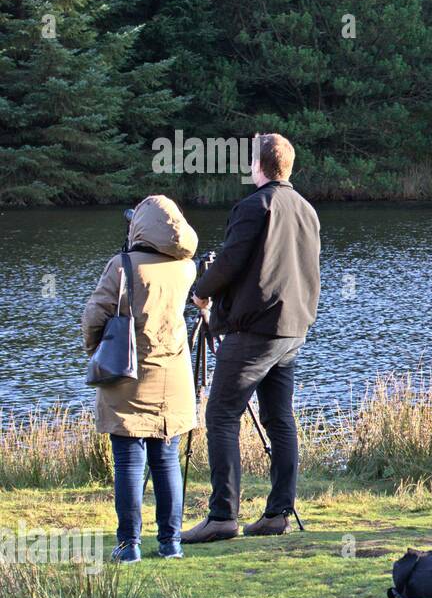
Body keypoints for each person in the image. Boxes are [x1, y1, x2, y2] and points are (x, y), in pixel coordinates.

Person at [181, 133, 321, 543]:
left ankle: (223, 515)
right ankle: (278, 512)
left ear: (259, 166)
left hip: (256, 330)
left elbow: (230, 260)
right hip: (294, 328)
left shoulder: (254, 205)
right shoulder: (307, 210)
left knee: (221, 415)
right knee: (280, 418)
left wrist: (203, 291)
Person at [82, 196, 199, 562]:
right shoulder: (187, 268)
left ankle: (129, 545)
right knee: (166, 463)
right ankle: (171, 544)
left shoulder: (122, 266)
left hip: (128, 376)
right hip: (173, 379)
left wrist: (94, 349)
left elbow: (93, 316)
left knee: (129, 465)